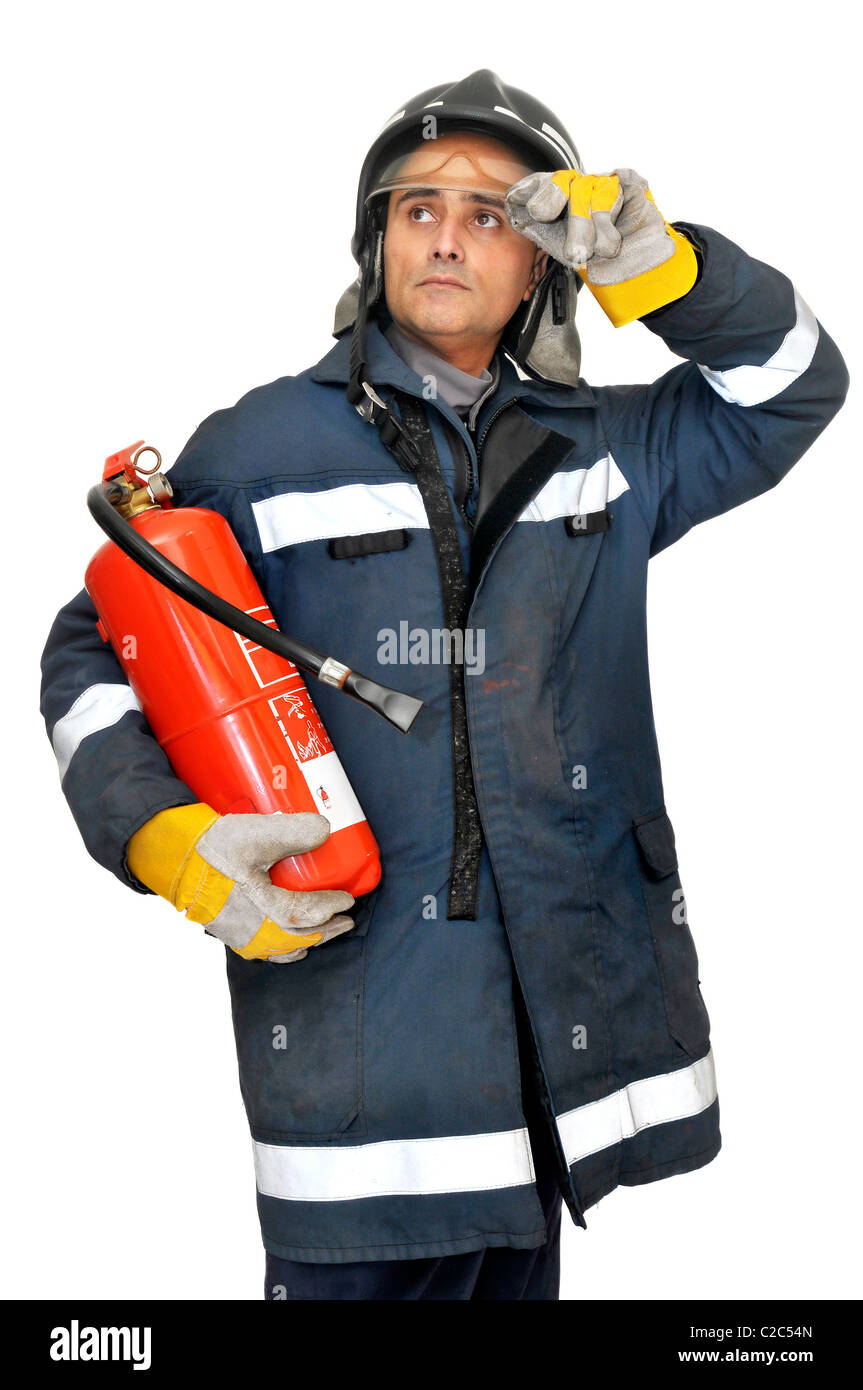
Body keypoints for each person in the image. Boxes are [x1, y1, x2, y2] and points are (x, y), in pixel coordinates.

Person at [40, 69, 849, 1301]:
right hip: (358, 1093)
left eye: (488, 215)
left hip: (542, 1100)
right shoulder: (260, 451)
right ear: (376, 243)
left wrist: (666, 267)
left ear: (542, 265)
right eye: (416, 207)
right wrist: (172, 843)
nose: (446, 235)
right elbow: (94, 646)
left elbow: (790, 384)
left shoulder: (605, 450)